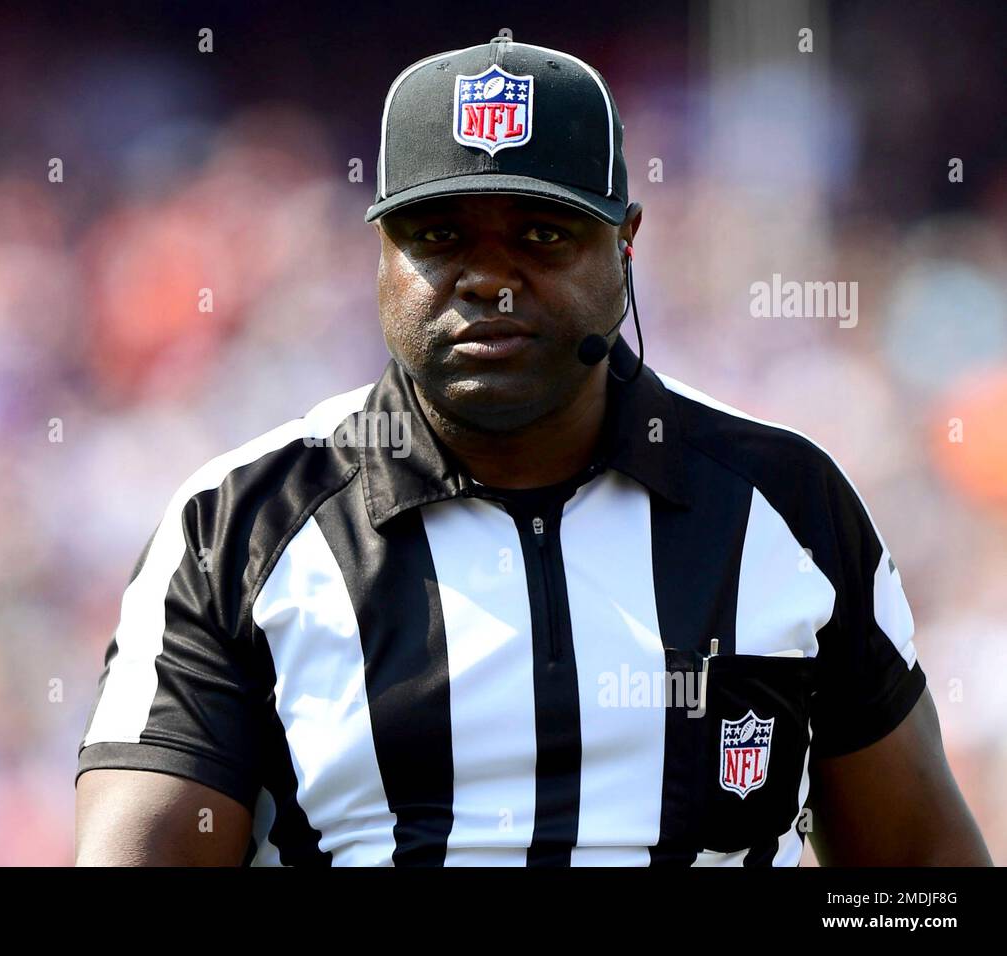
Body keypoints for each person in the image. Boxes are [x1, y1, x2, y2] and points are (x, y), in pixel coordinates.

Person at [75, 36, 991, 866]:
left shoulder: (782, 502)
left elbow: (917, 876)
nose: (488, 278)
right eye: (437, 237)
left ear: (625, 246)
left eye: (541, 234)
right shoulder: (241, 523)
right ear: (379, 255)